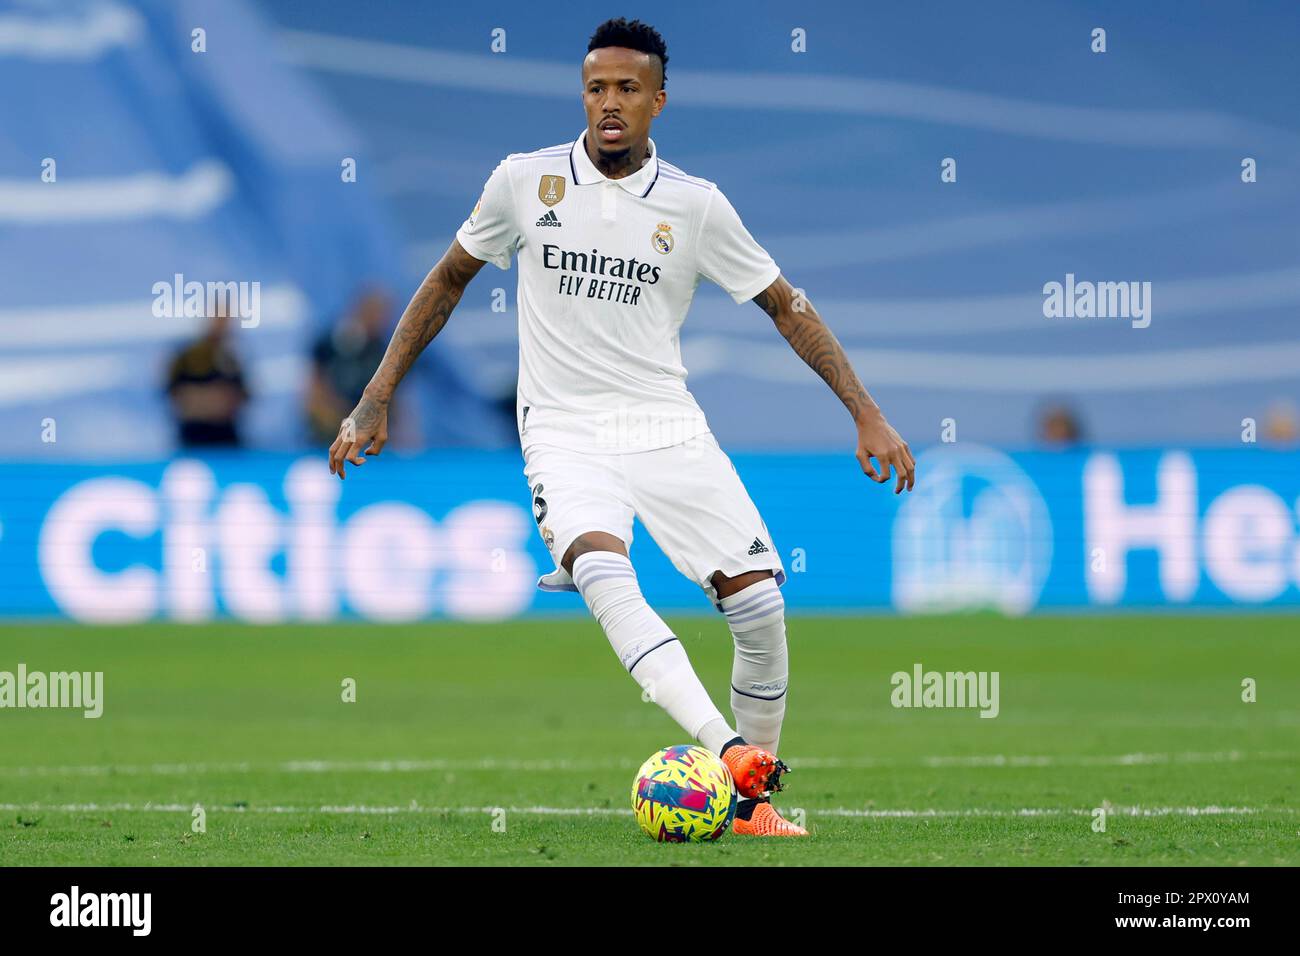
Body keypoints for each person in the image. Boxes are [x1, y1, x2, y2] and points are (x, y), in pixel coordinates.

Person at [328, 18, 915, 837]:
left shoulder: (696, 205)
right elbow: (447, 279)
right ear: (583, 94)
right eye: (597, 88)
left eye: (628, 89)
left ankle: (751, 805)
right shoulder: (524, 183)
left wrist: (867, 412)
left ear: (659, 102)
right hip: (563, 428)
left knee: (760, 611)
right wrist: (376, 393)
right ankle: (729, 752)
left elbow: (786, 306)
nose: (610, 103)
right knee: (605, 571)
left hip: (668, 425)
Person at [307, 289, 393, 445]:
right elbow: (314, 386)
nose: (381, 320)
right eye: (376, 313)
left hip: (368, 430)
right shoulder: (330, 343)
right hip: (330, 427)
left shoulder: (382, 349)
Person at [166, 310, 249, 448]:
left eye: (226, 319)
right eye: (218, 318)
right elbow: (176, 394)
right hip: (194, 440)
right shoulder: (187, 356)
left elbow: (242, 397)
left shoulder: (232, 358)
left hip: (228, 442)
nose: (222, 324)